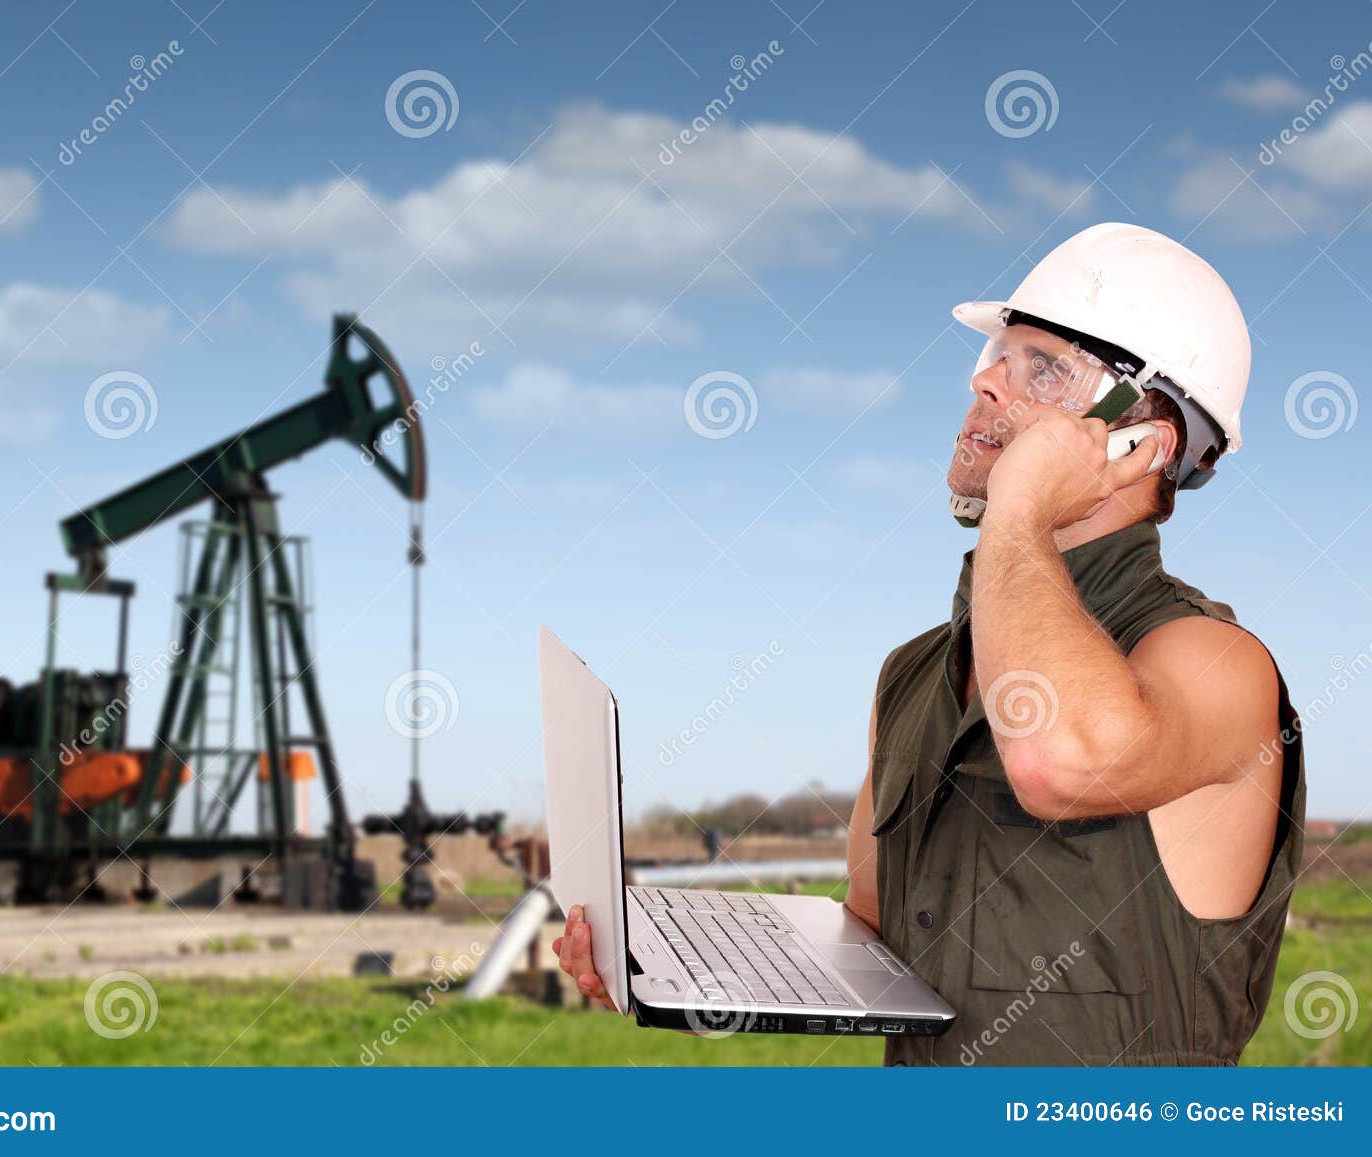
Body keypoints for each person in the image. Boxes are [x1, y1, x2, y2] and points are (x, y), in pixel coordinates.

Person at [554, 223, 1305, 1065]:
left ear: (1142, 448)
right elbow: (873, 934)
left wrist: (1019, 507)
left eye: (1043, 368)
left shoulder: (1216, 662)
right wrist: (679, 965)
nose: (986, 382)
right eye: (998, 357)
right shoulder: (914, 675)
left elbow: (1058, 760)